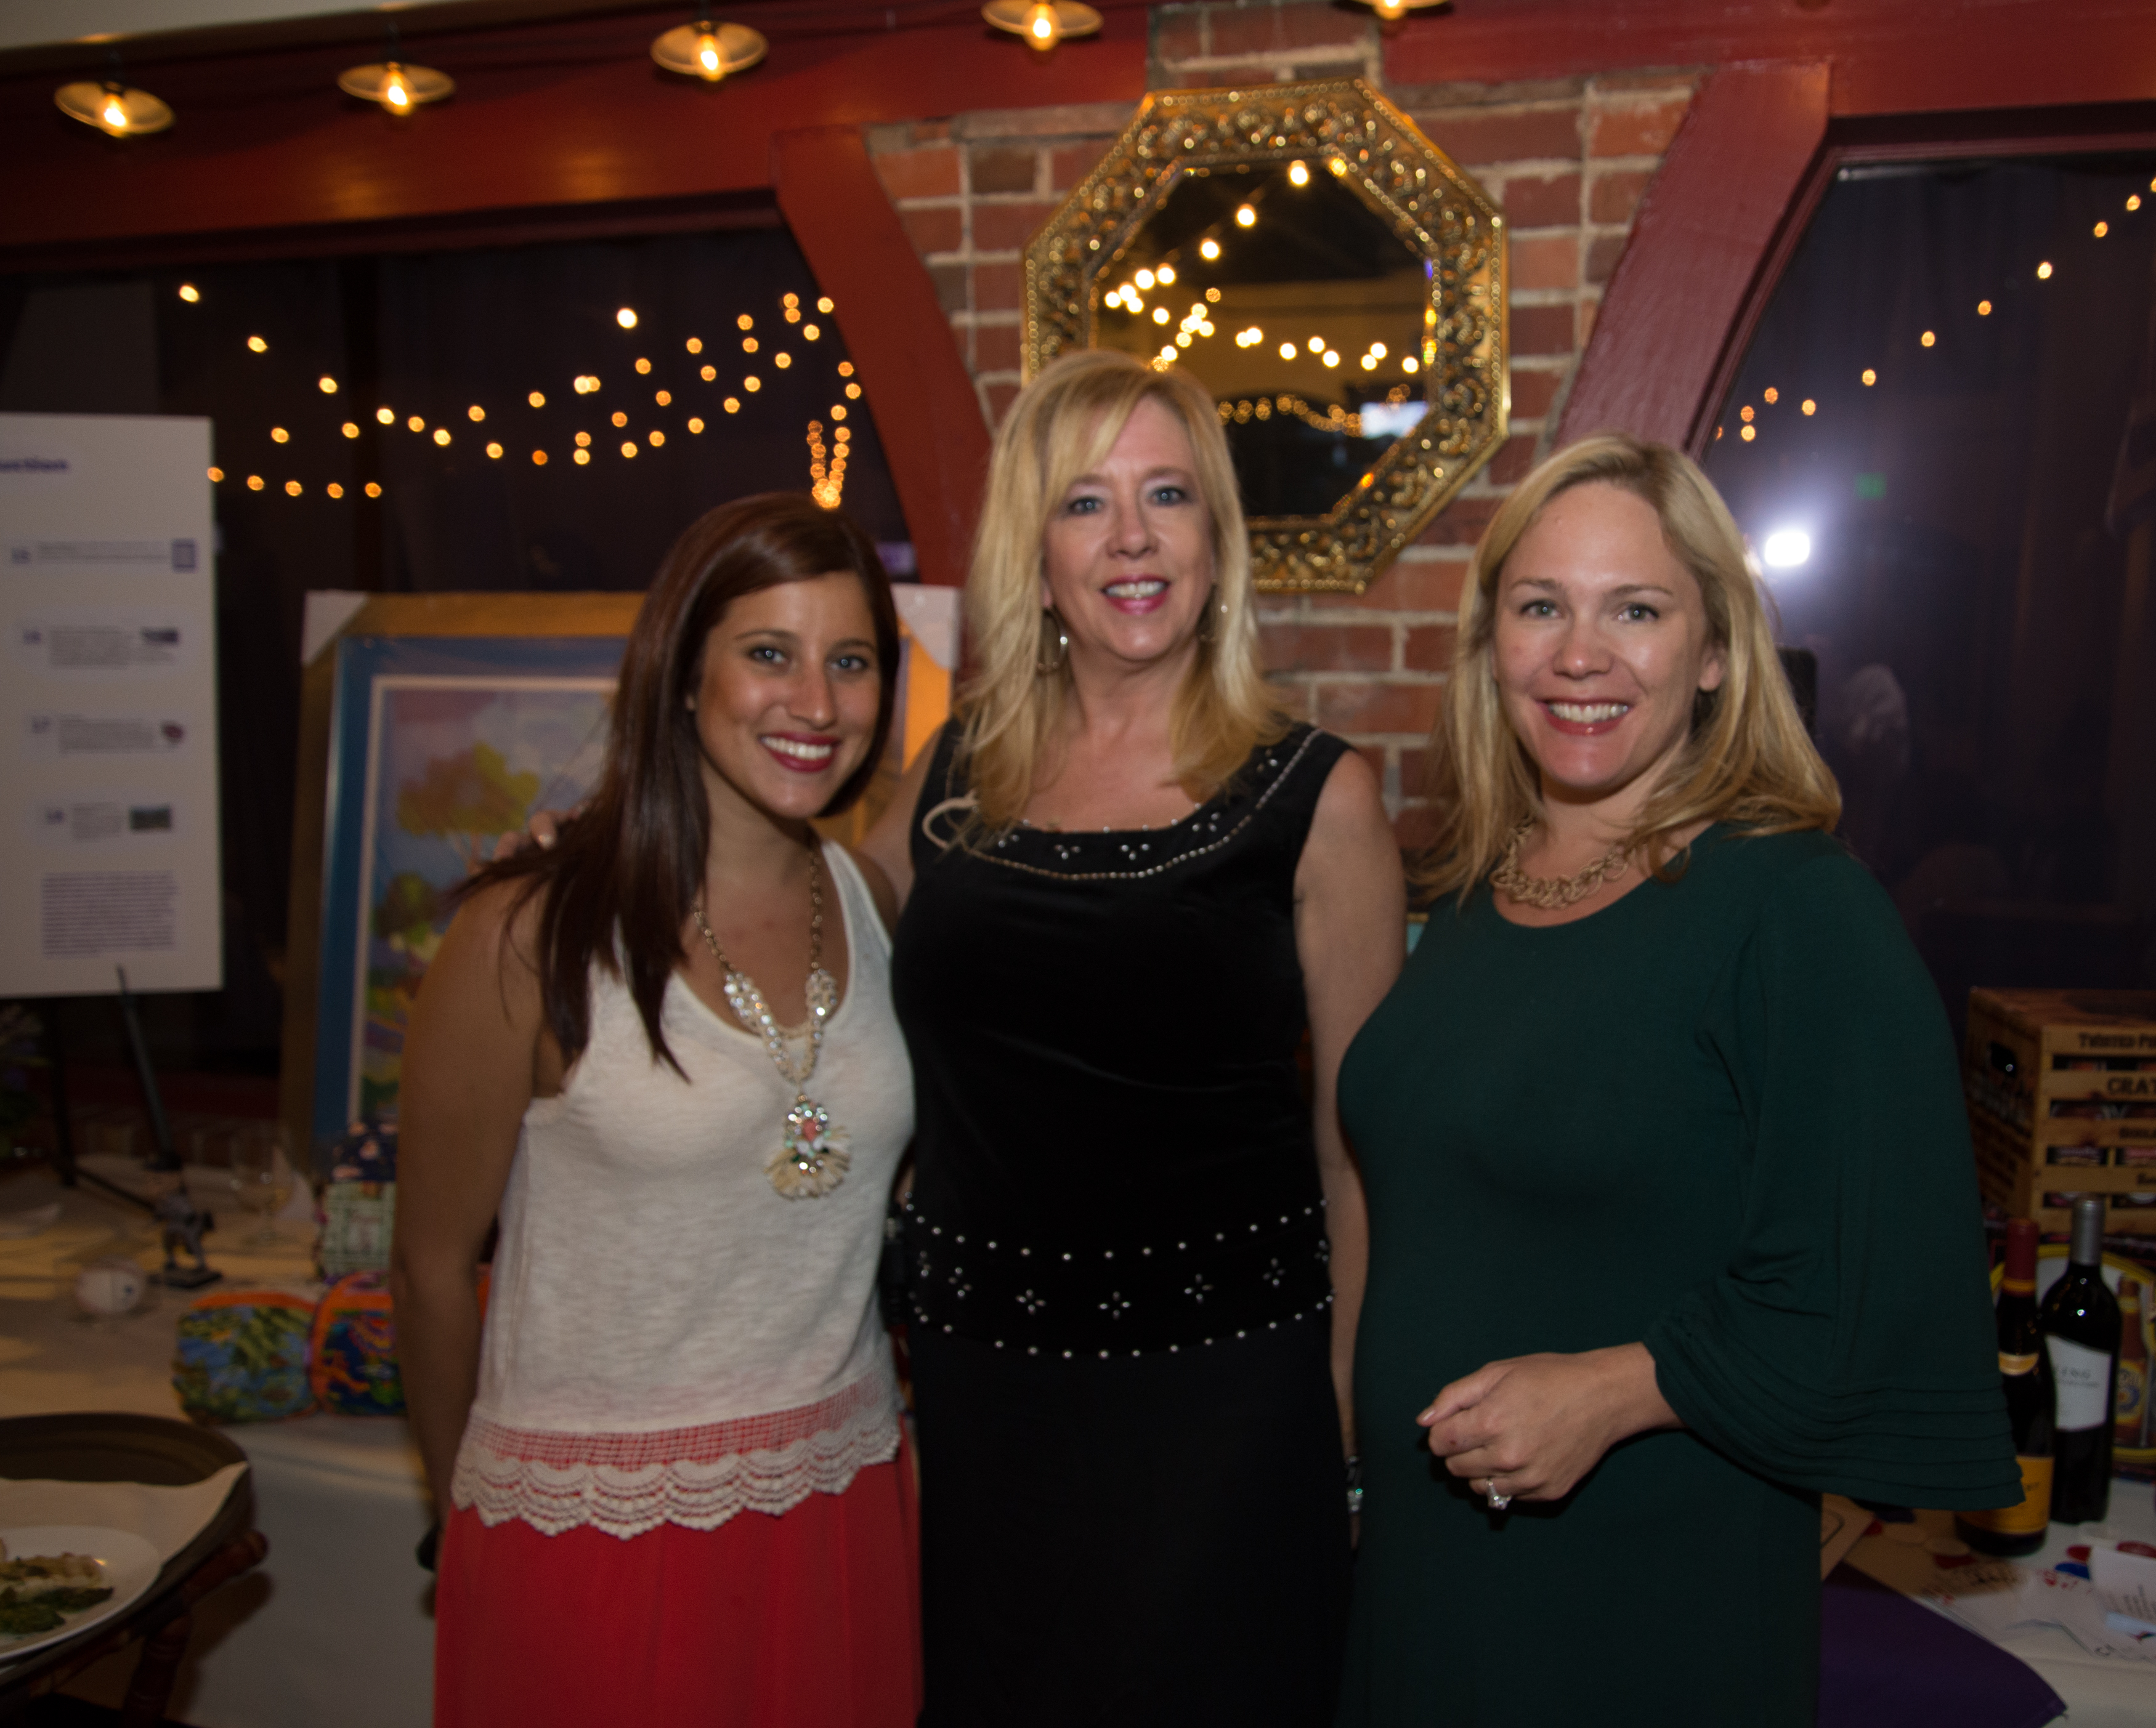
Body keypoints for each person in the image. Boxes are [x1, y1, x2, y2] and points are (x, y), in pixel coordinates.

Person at [1337, 435, 2018, 1727]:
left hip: (1637, 1587)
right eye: (1541, 606)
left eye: (1634, 610)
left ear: (1713, 651)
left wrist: (1613, 1389)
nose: (1577, 653)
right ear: (1494, 642)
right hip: (1431, 1571)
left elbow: (1875, 1279)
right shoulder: (1480, 888)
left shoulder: (1793, 908)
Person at [854, 347, 1405, 1726]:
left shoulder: (1316, 800)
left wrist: (1342, 1412)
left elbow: (1364, 1158)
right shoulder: (938, 785)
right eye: (1085, 503)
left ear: (1216, 542)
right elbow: (809, 974)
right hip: (988, 1399)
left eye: (1168, 494)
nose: (1133, 537)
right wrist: (612, 856)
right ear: (1034, 559)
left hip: (1226, 1408)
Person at [392, 494, 920, 1728]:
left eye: (851, 661)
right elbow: (425, 1269)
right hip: (595, 1533)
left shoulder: (873, 901)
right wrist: (461, 1520)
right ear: (684, 672)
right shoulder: (528, 935)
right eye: (768, 653)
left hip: (837, 1509)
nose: (817, 702)